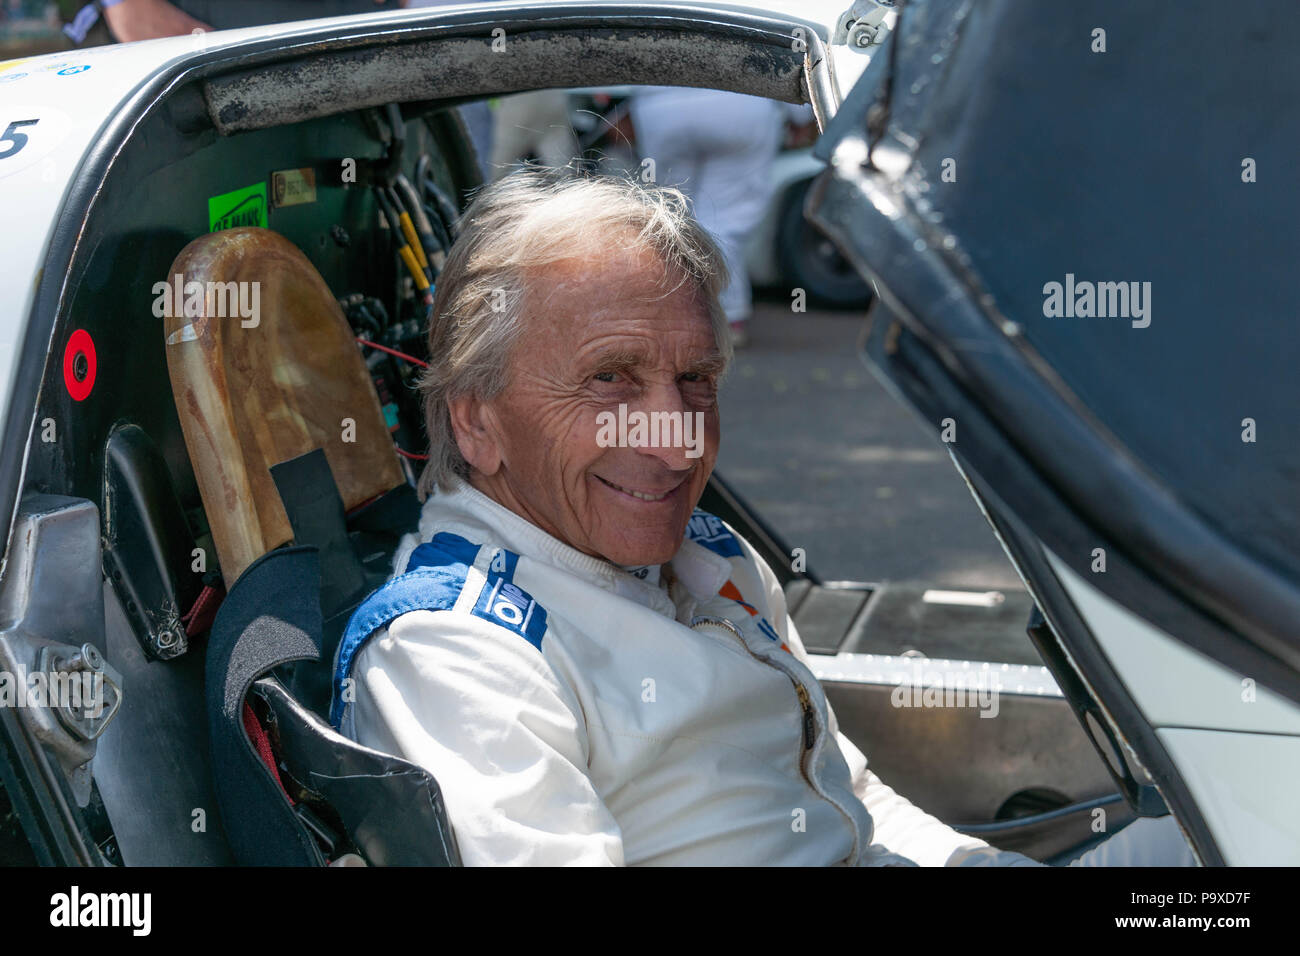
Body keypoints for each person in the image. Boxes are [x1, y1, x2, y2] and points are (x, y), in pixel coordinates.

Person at [331, 168, 1195, 867]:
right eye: (610, 380)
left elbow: (840, 799)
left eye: (696, 379)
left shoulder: (708, 554)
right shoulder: (458, 656)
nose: (675, 445)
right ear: (476, 419)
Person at [628, 88, 786, 348]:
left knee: (671, 217)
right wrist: (799, 115)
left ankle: (672, 314)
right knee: (727, 219)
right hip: (740, 100)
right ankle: (726, 316)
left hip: (659, 106)